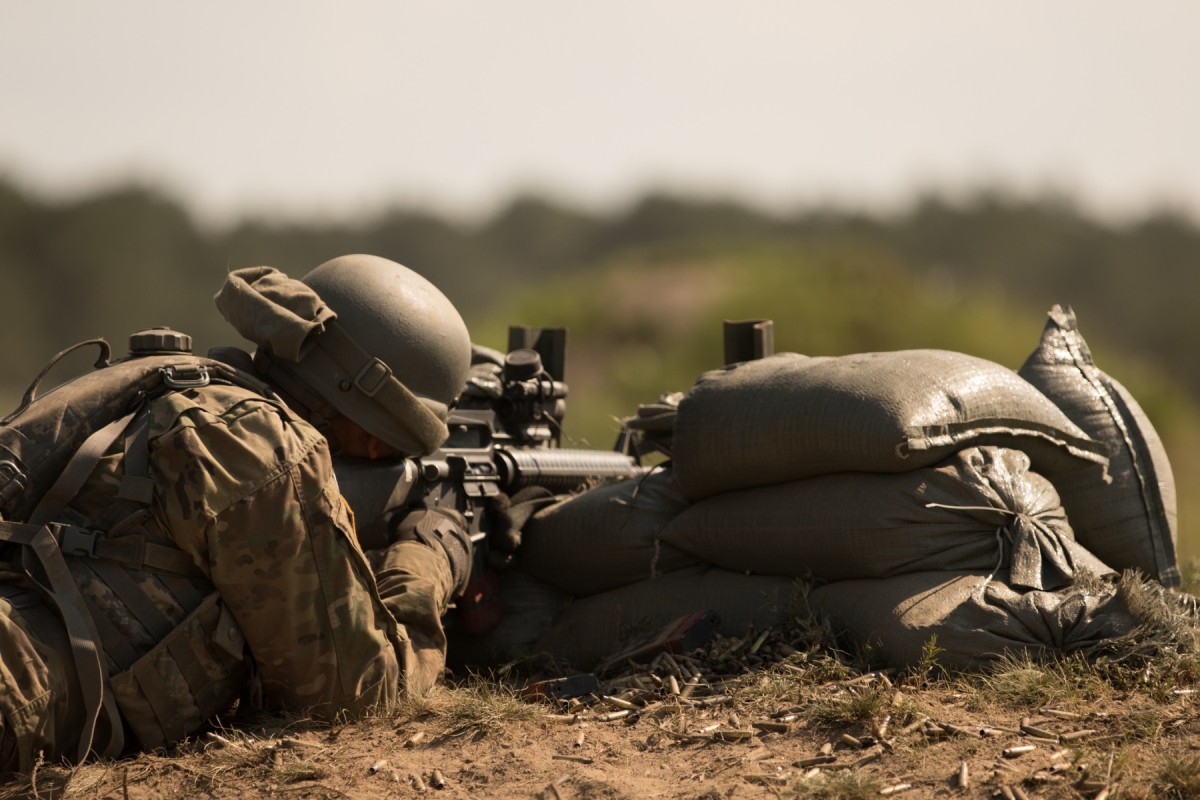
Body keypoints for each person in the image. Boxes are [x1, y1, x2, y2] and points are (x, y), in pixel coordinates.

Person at [0, 254, 473, 771]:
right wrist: (428, 556)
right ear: (362, 397)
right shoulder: (262, 451)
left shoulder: (179, 394)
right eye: (390, 443)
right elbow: (360, 696)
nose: (385, 456)